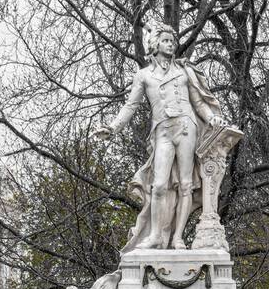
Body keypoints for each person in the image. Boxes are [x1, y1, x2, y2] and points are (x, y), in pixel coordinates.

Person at [95, 25, 227, 252]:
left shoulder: (184, 72)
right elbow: (131, 105)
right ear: (155, 45)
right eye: (166, 40)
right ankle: (156, 236)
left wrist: (212, 118)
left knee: (186, 184)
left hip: (186, 127)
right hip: (162, 131)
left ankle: (177, 238)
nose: (171, 44)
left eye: (172, 41)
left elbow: (198, 103)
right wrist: (113, 128)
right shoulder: (144, 75)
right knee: (158, 185)